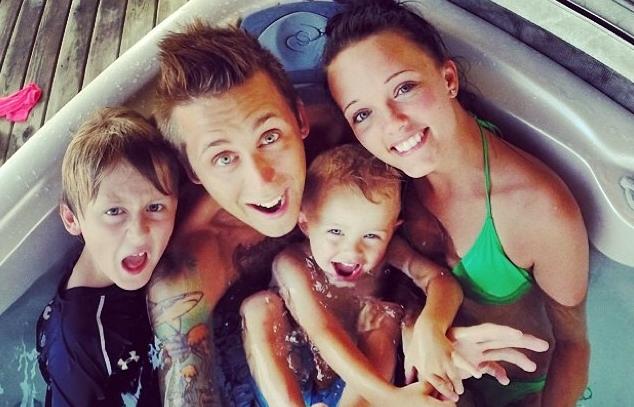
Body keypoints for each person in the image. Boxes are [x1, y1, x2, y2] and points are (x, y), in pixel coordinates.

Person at [149, 21, 553, 407]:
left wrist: (424, 331)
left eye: (270, 137)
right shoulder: (187, 276)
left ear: (300, 119)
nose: (263, 180)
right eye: (223, 158)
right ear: (192, 170)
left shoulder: (354, 144)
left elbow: (415, 259)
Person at [323, 1, 590, 406]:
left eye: (404, 88)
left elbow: (573, 345)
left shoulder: (537, 209)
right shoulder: (383, 179)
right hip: (427, 368)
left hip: (516, 392)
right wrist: (423, 327)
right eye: (362, 114)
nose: (392, 123)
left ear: (448, 78)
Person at [243, 143, 466, 406]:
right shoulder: (292, 263)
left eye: (371, 235)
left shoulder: (390, 252)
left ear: (393, 229)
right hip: (299, 370)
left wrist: (431, 327)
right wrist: (390, 398)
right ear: (305, 223)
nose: (352, 250)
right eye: (335, 232)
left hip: (360, 385)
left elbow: (441, 280)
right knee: (257, 307)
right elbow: (321, 330)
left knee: (384, 316)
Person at [36, 107, 181, 406]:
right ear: (72, 219)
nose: (139, 234)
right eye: (115, 212)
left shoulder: (120, 256)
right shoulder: (79, 343)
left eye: (155, 207)